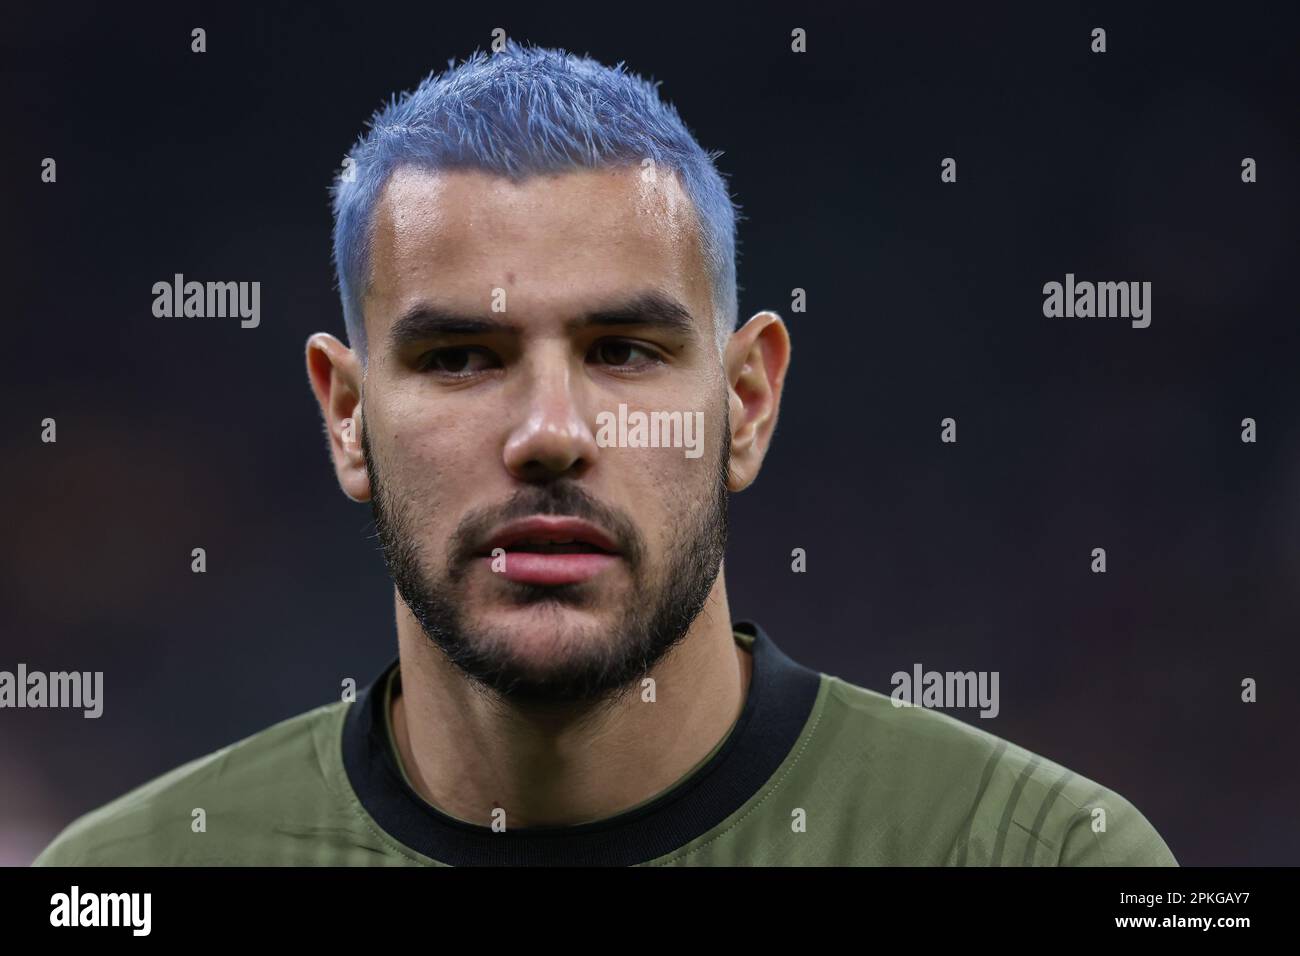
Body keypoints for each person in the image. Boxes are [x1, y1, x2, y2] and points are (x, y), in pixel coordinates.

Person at [35, 42, 1176, 867]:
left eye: (623, 349)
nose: (549, 434)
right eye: (460, 358)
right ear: (346, 414)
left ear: (745, 401)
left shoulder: (1036, 856)